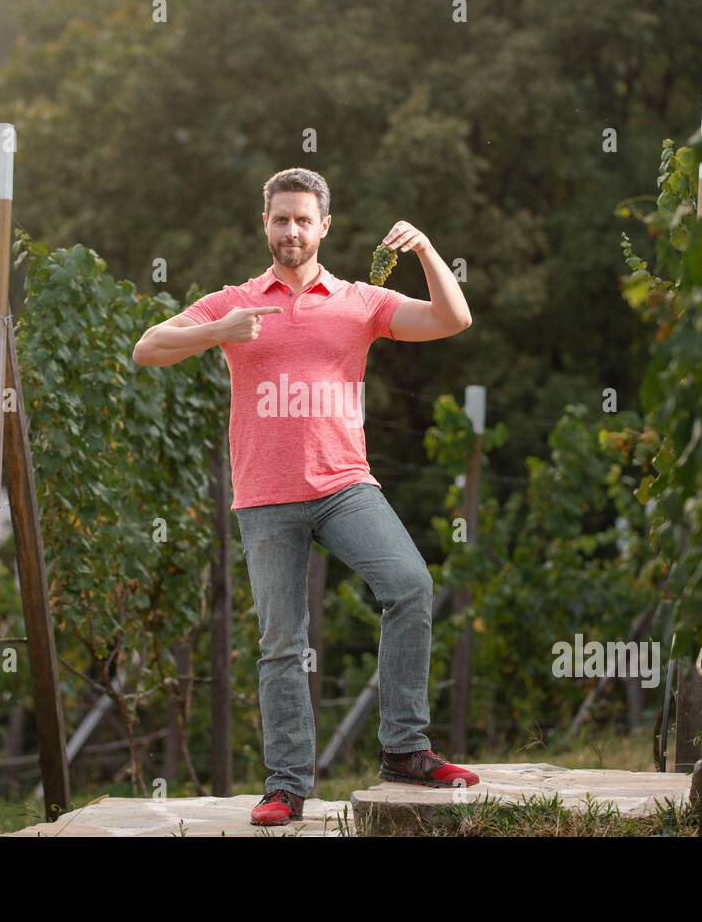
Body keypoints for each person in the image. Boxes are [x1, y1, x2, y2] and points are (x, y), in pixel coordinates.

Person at [132, 167, 478, 826]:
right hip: (265, 497)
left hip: (345, 486)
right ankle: (287, 786)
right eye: (280, 219)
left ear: (324, 227)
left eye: (302, 219)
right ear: (265, 225)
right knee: (281, 645)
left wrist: (428, 252)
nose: (291, 231)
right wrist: (216, 333)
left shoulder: (360, 300)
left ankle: (406, 749)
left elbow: (452, 318)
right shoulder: (232, 302)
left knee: (409, 584)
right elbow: (148, 348)